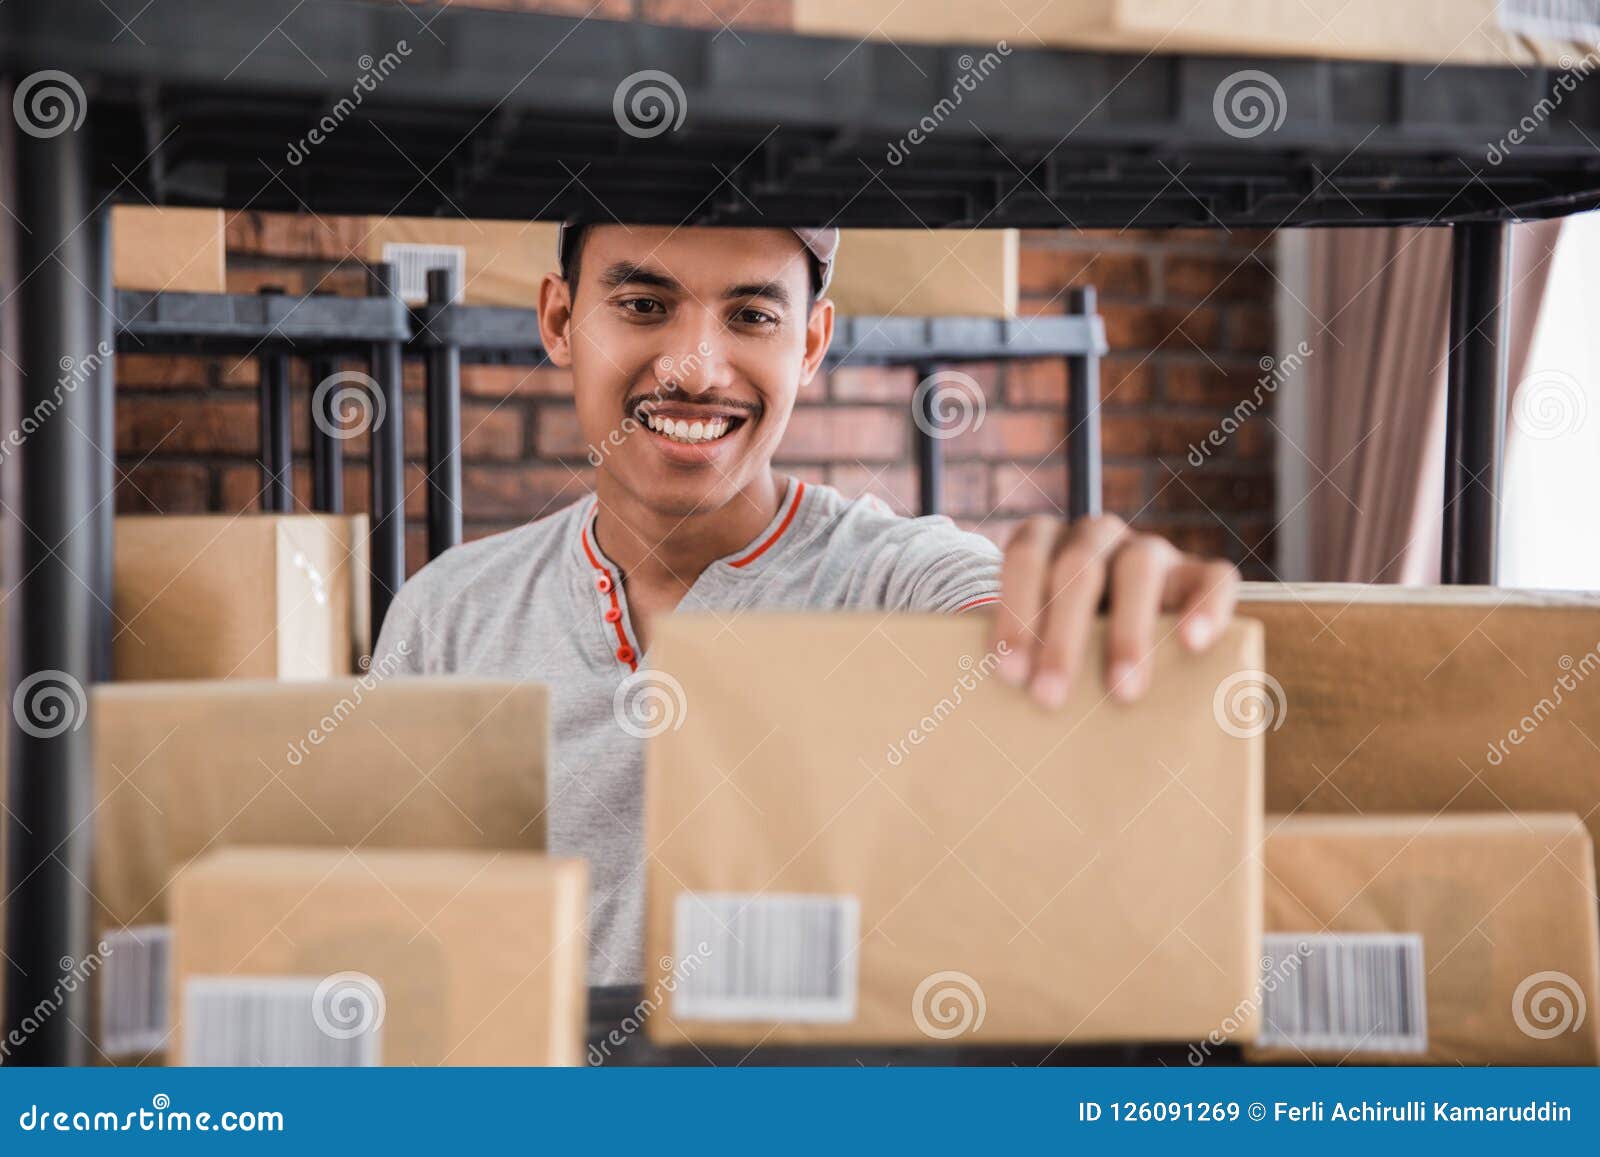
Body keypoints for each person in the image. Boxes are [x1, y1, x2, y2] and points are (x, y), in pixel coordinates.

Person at [371, 223, 1241, 986]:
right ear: (561, 320)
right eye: (643, 304)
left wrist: (1085, 619)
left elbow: (995, 620)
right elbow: (383, 937)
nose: (694, 367)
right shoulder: (450, 614)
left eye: (751, 316)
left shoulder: (891, 583)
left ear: (813, 343)